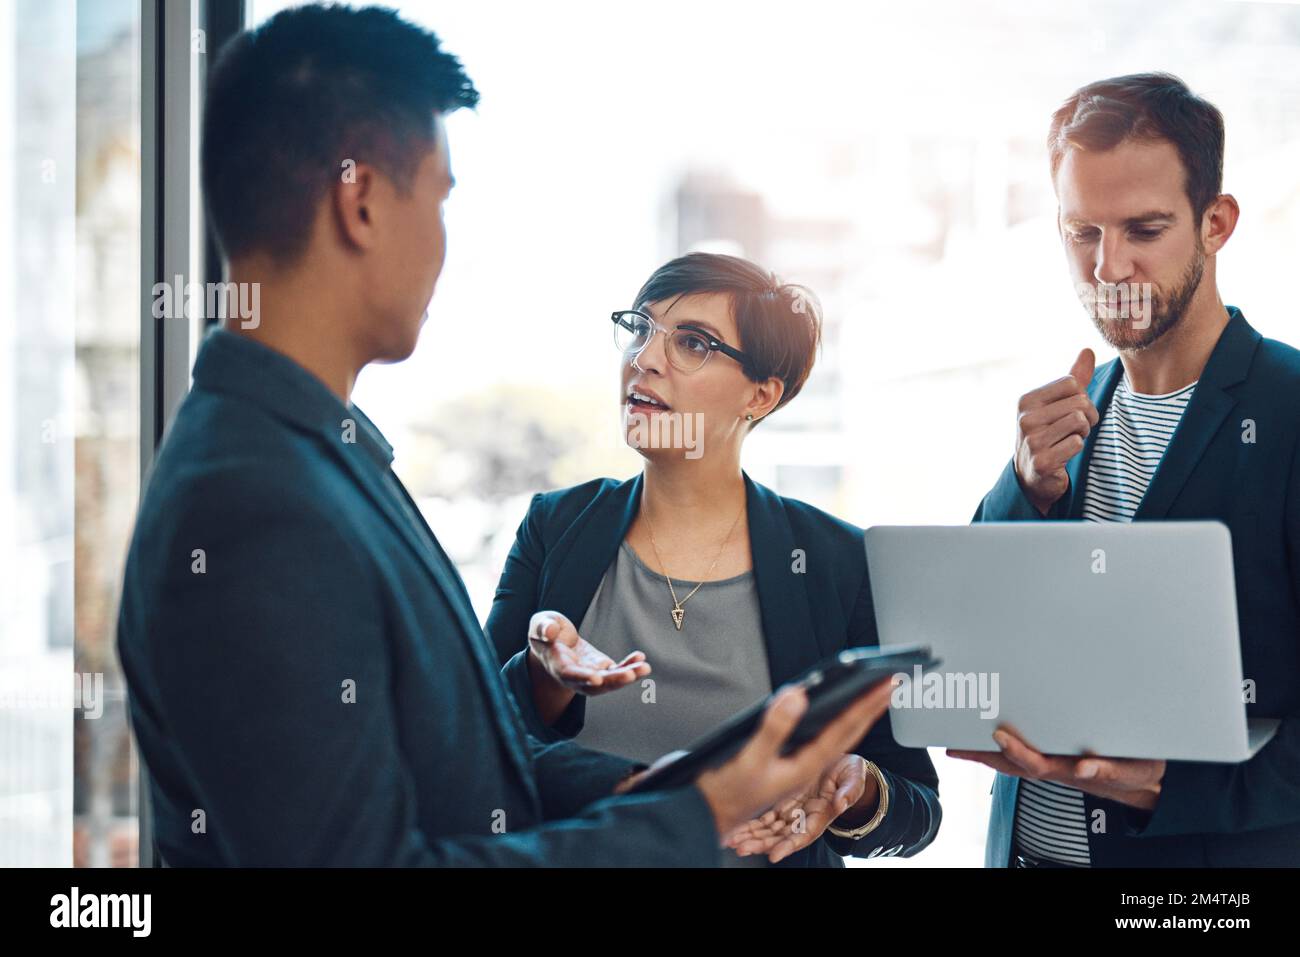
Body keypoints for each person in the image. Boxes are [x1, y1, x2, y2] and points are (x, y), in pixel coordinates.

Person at [114, 4, 893, 867]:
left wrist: (636, 788)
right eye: (440, 198)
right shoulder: (257, 504)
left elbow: (450, 761)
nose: (447, 244)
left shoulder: (321, 460)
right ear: (361, 200)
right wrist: (693, 816)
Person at [486, 252, 942, 866]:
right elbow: (476, 741)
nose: (645, 359)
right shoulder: (557, 525)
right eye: (641, 330)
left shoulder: (838, 559)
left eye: (694, 344)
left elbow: (919, 806)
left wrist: (857, 790)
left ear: (761, 394)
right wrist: (543, 682)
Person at [952, 73, 1300, 867]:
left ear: (1217, 223)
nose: (1109, 268)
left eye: (1143, 229)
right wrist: (1023, 490)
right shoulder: (1062, 419)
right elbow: (968, 636)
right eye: (1084, 233)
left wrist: (1159, 783)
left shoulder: (1287, 415)